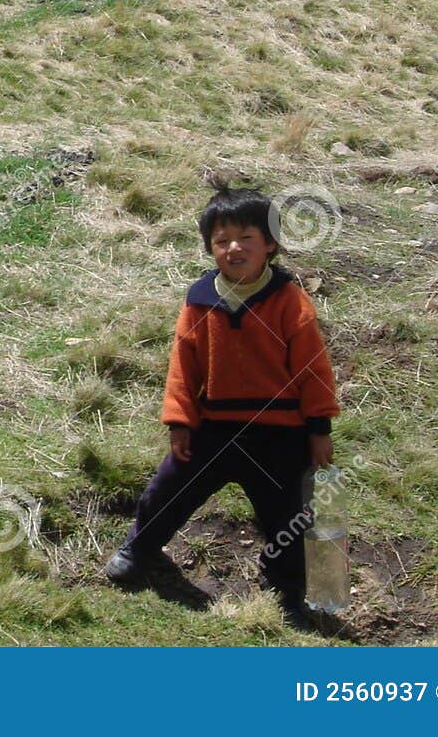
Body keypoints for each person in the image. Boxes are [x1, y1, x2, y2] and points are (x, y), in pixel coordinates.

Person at [104, 187, 340, 614]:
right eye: (220, 240)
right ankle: (139, 549)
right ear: (210, 248)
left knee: (287, 515)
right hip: (214, 427)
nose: (233, 248)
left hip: (280, 434)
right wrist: (180, 421)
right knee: (168, 491)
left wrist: (319, 428)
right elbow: (183, 366)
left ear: (269, 244)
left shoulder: (289, 301)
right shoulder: (199, 301)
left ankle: (286, 584)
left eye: (246, 237)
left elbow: (313, 369)